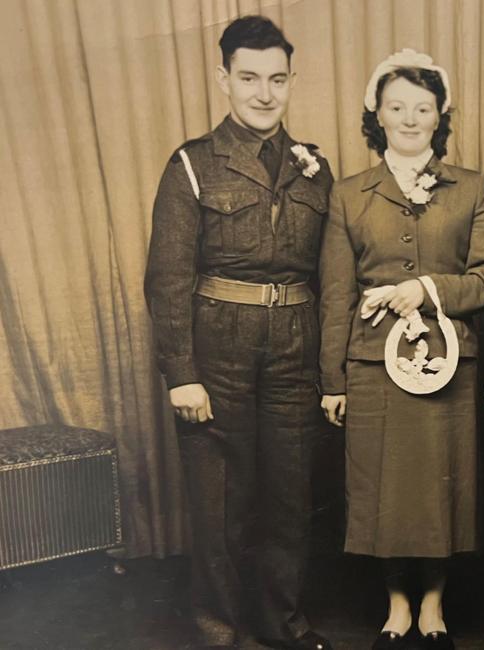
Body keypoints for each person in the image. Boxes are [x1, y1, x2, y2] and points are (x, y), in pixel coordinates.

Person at [144, 16, 333, 650]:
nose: (264, 93)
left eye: (277, 79)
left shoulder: (314, 169)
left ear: (292, 81)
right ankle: (219, 631)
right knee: (219, 501)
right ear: (223, 79)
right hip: (217, 347)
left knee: (289, 496)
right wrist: (182, 374)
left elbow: (331, 272)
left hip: (295, 345)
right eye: (249, 78)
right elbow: (167, 277)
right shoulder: (192, 164)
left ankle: (282, 623)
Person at [318, 49, 484, 650]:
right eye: (396, 107)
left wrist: (428, 290)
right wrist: (333, 380)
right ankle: (397, 604)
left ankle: (433, 605)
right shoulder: (348, 194)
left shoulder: (473, 187)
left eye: (422, 108)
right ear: (377, 114)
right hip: (374, 364)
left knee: (437, 492)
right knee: (384, 489)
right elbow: (336, 293)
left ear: (439, 116)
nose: (409, 119)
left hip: (448, 363)